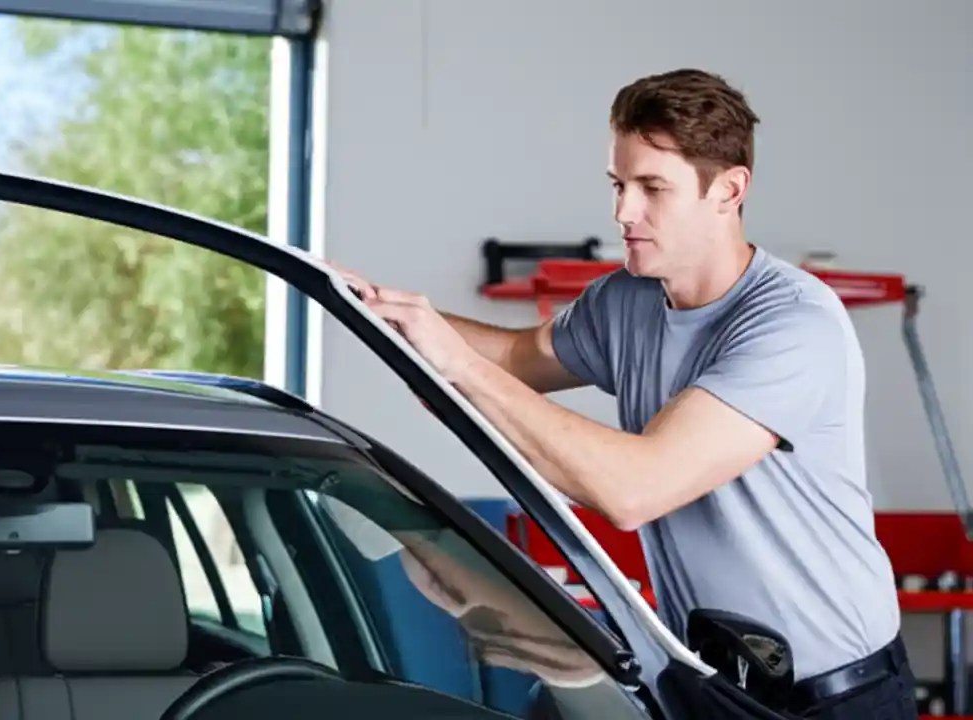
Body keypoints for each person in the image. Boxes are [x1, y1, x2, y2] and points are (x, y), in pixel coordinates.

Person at [334, 68, 915, 718]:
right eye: (618, 184)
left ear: (728, 190)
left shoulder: (792, 323)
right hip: (707, 683)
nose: (622, 212)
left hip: (834, 699)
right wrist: (388, 315)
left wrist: (458, 370)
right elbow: (518, 357)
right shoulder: (627, 300)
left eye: (651, 189)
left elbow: (634, 490)